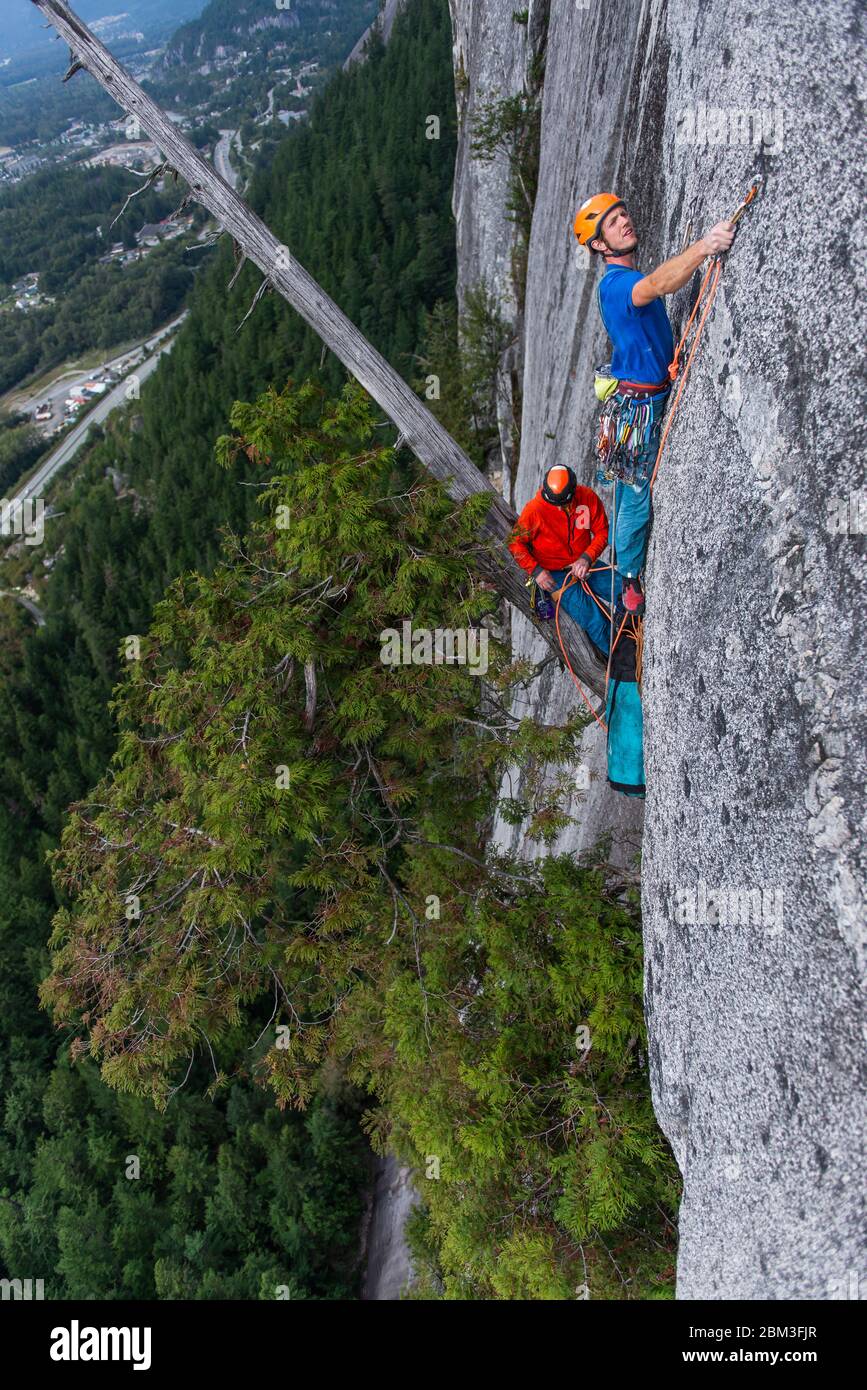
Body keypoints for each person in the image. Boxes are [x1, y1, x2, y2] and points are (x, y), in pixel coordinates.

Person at [573, 193, 735, 615]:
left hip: (636, 396)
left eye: (623, 214)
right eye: (612, 223)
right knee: (637, 492)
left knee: (627, 489)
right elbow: (660, 285)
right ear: (599, 246)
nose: (625, 222)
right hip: (640, 408)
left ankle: (620, 563)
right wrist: (705, 246)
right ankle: (628, 579)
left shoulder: (618, 281)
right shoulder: (618, 284)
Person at [508, 464, 619, 657]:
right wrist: (537, 572)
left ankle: (638, 630)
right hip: (555, 575)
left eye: (563, 503)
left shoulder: (586, 497)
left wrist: (587, 557)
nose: (560, 508)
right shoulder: (534, 510)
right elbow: (515, 543)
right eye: (555, 504)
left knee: (621, 589)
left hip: (584, 563)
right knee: (594, 620)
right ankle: (621, 659)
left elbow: (602, 531)